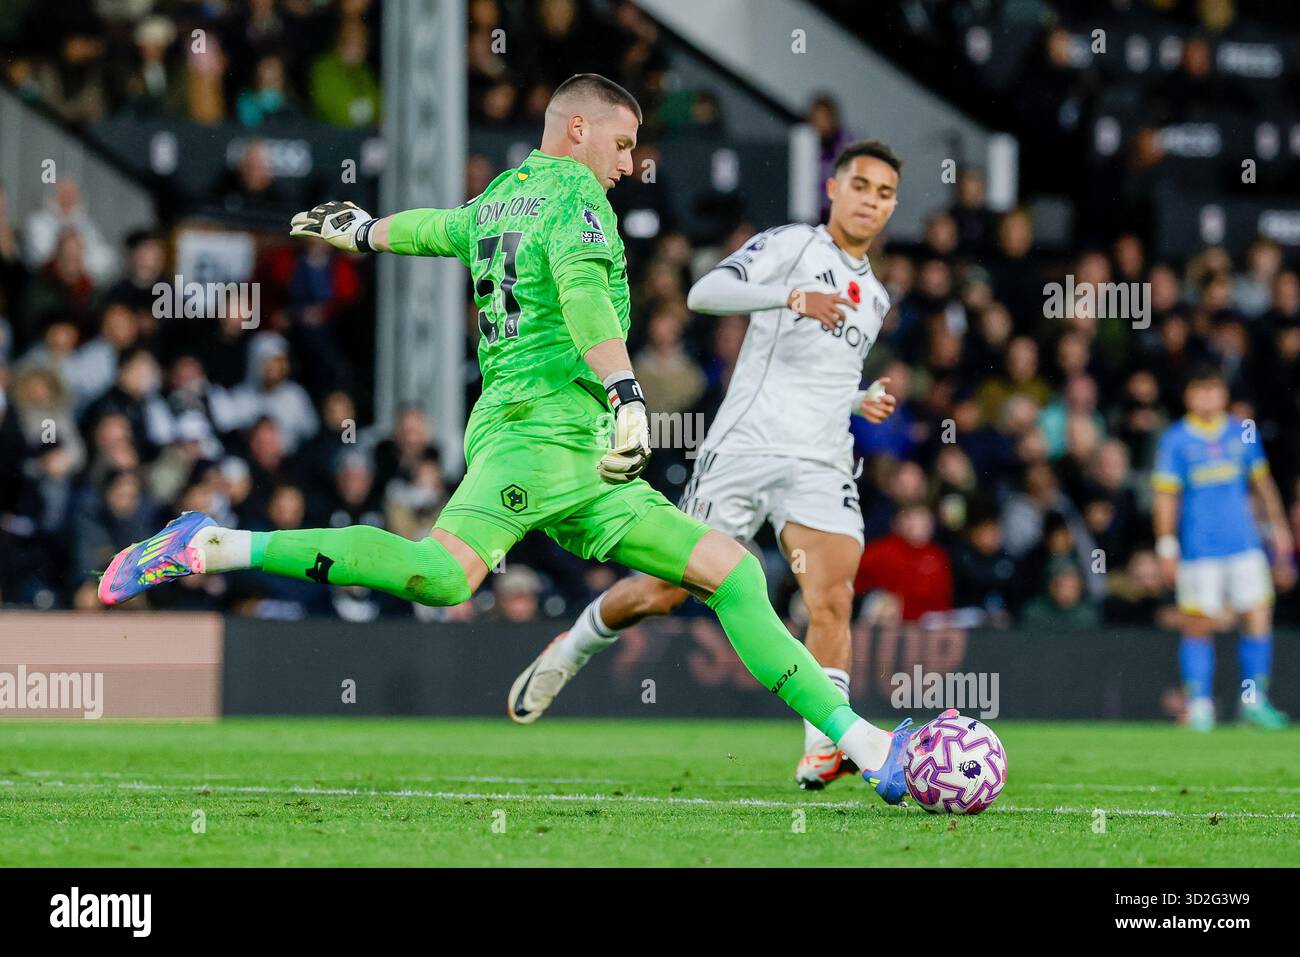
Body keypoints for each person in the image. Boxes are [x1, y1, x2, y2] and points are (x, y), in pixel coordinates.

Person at [96, 74, 927, 804]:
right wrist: (626, 387)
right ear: (577, 129)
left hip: (572, 449)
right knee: (440, 576)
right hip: (542, 440)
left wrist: (366, 229)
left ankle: (863, 746)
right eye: (623, 142)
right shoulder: (577, 198)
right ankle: (214, 544)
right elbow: (581, 294)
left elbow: (439, 229)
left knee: (732, 573)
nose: (629, 161)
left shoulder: (501, 195)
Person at [510, 139, 903, 791]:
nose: (871, 201)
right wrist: (790, 298)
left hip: (822, 458)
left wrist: (863, 397)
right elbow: (705, 292)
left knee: (832, 596)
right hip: (744, 449)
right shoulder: (790, 246)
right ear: (833, 190)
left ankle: (824, 744)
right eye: (860, 185)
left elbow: (827, 375)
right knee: (668, 590)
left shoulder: (878, 297)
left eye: (885, 193)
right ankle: (572, 645)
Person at [1152, 366, 1294, 731]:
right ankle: (1199, 706)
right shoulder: (1176, 439)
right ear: (1189, 396)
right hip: (1199, 549)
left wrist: (1278, 529)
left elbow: (1262, 485)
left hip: (1244, 544)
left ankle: (1253, 701)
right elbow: (1166, 497)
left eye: (1214, 390)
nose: (1207, 398)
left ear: (1223, 394)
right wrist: (1166, 546)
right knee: (1198, 625)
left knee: (1258, 616)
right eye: (1200, 391)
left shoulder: (1242, 432)